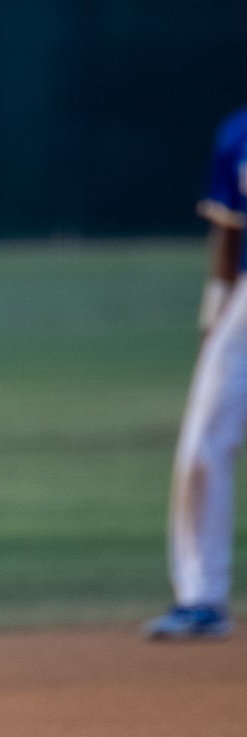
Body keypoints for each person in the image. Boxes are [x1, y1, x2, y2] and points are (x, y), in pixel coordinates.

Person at [145, 101, 247, 641]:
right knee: (205, 433)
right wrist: (216, 313)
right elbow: (229, 232)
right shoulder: (239, 132)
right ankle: (201, 598)